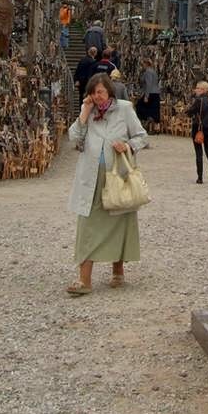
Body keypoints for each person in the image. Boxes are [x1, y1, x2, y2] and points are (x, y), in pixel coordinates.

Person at [66, 73, 148, 295]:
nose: (97, 97)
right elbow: (74, 138)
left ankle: (118, 271)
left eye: (101, 92)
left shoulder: (124, 109)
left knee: (120, 220)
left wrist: (128, 145)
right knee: (88, 225)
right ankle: (84, 280)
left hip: (117, 175)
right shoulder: (89, 112)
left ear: (109, 91)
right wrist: (83, 112)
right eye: (93, 93)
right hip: (92, 177)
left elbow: (142, 136)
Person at [184, 81, 208, 185]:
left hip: (198, 128)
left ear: (203, 90)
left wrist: (189, 110)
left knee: (199, 154)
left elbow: (189, 112)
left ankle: (200, 177)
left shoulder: (198, 100)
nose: (196, 90)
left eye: (198, 88)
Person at [136, 57, 161, 132]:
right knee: (154, 110)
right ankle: (156, 127)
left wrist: (146, 96)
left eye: (143, 64)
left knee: (139, 106)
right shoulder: (154, 72)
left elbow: (148, 84)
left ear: (146, 64)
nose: (142, 66)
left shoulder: (148, 72)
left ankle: (147, 120)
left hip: (150, 93)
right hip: (156, 93)